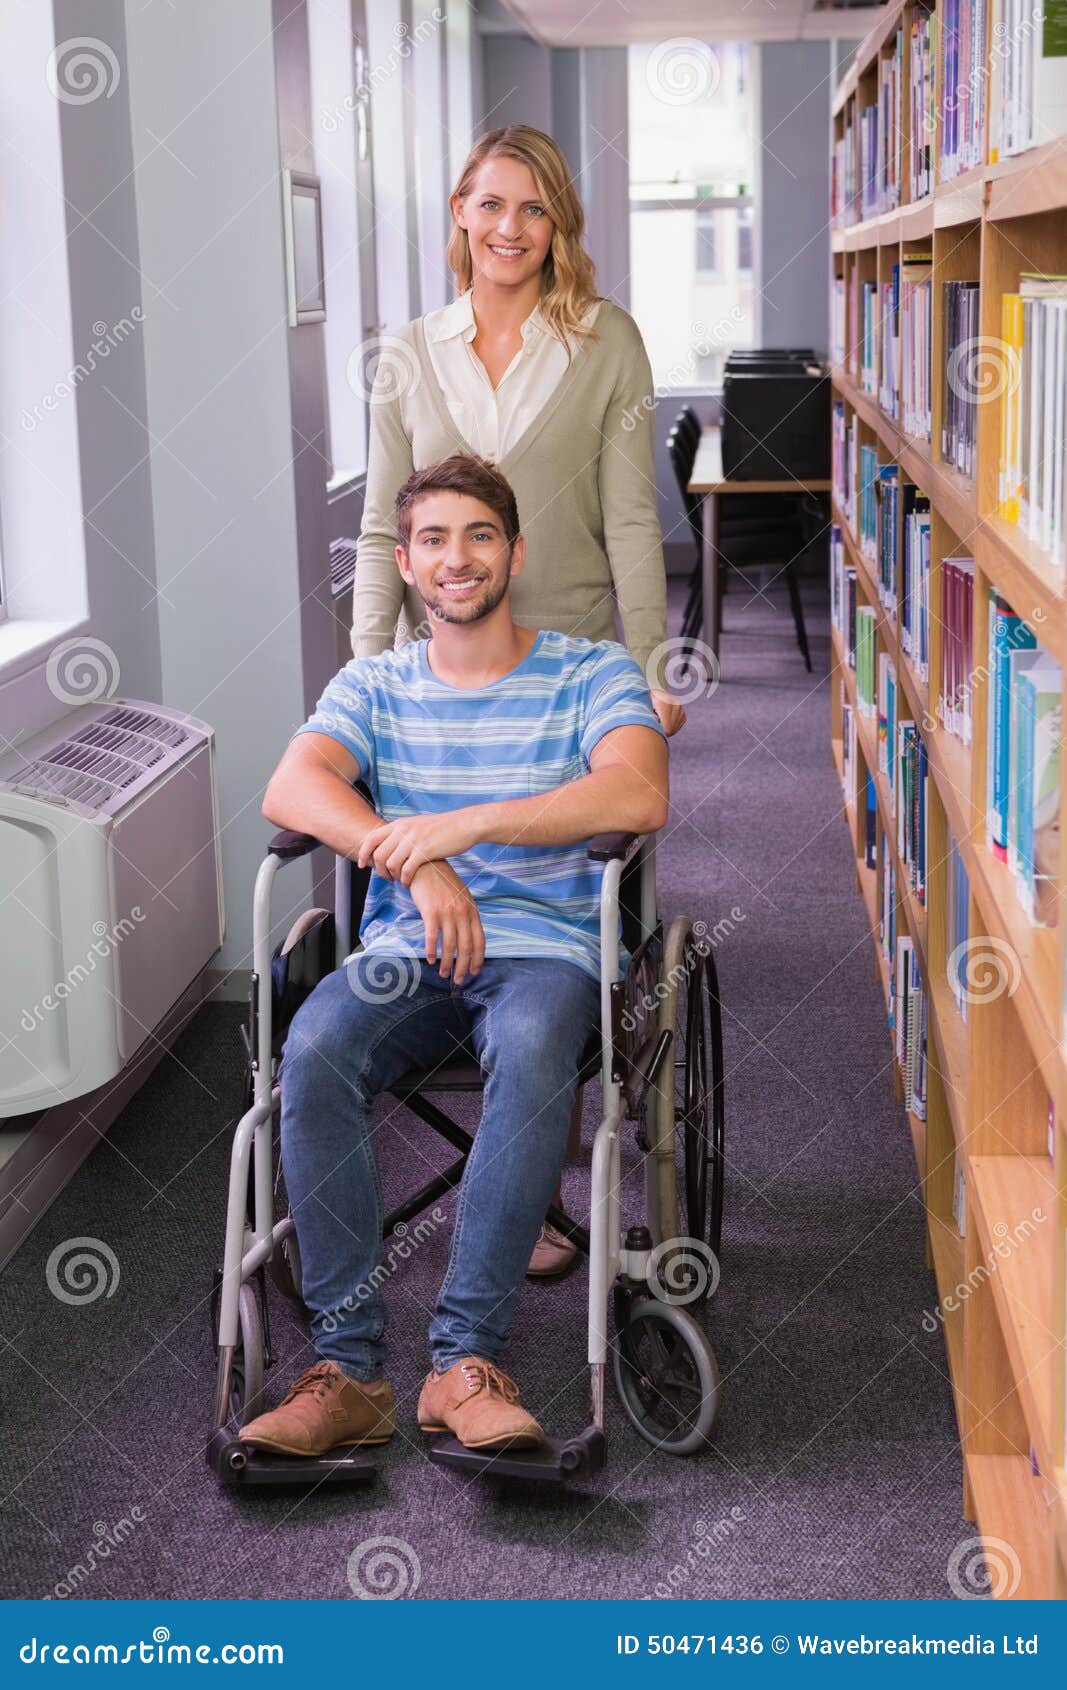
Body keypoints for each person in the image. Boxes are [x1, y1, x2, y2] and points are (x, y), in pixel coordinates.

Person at [239, 452, 668, 1456]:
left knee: (529, 1049)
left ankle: (461, 1364)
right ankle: (347, 1370)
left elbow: (637, 793)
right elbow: (290, 791)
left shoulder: (588, 669)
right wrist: (414, 863)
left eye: (477, 535)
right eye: (431, 539)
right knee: (314, 1047)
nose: (455, 558)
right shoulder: (375, 685)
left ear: (513, 554)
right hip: (404, 949)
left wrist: (459, 829)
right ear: (407, 563)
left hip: (546, 950)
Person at [353, 122, 683, 1274]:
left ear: (559, 227)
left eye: (532, 210)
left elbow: (633, 516)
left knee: (554, 916)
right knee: (438, 895)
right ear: (458, 211)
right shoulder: (407, 351)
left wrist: (647, 670)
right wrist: (363, 673)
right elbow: (380, 530)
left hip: (569, 675)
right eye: (489, 205)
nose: (508, 229)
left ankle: (535, 1189)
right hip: (439, 678)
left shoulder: (605, 344)